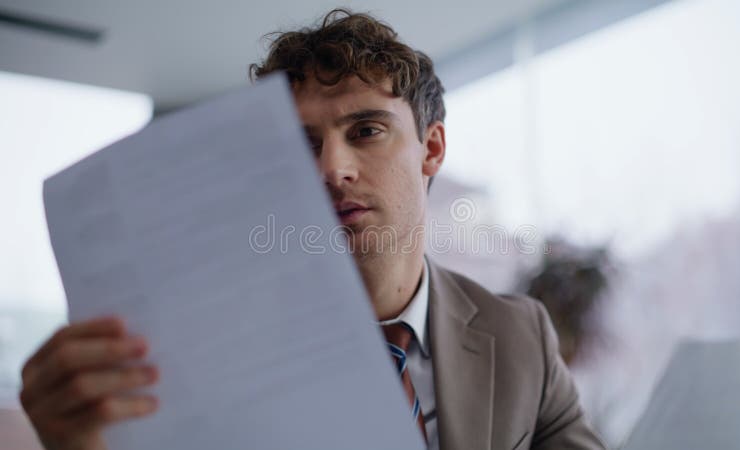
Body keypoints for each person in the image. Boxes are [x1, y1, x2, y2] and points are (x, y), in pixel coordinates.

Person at [18, 9, 606, 450]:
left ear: (431, 148)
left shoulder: (521, 334)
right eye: (303, 143)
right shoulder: (198, 350)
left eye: (366, 130)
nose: (332, 169)